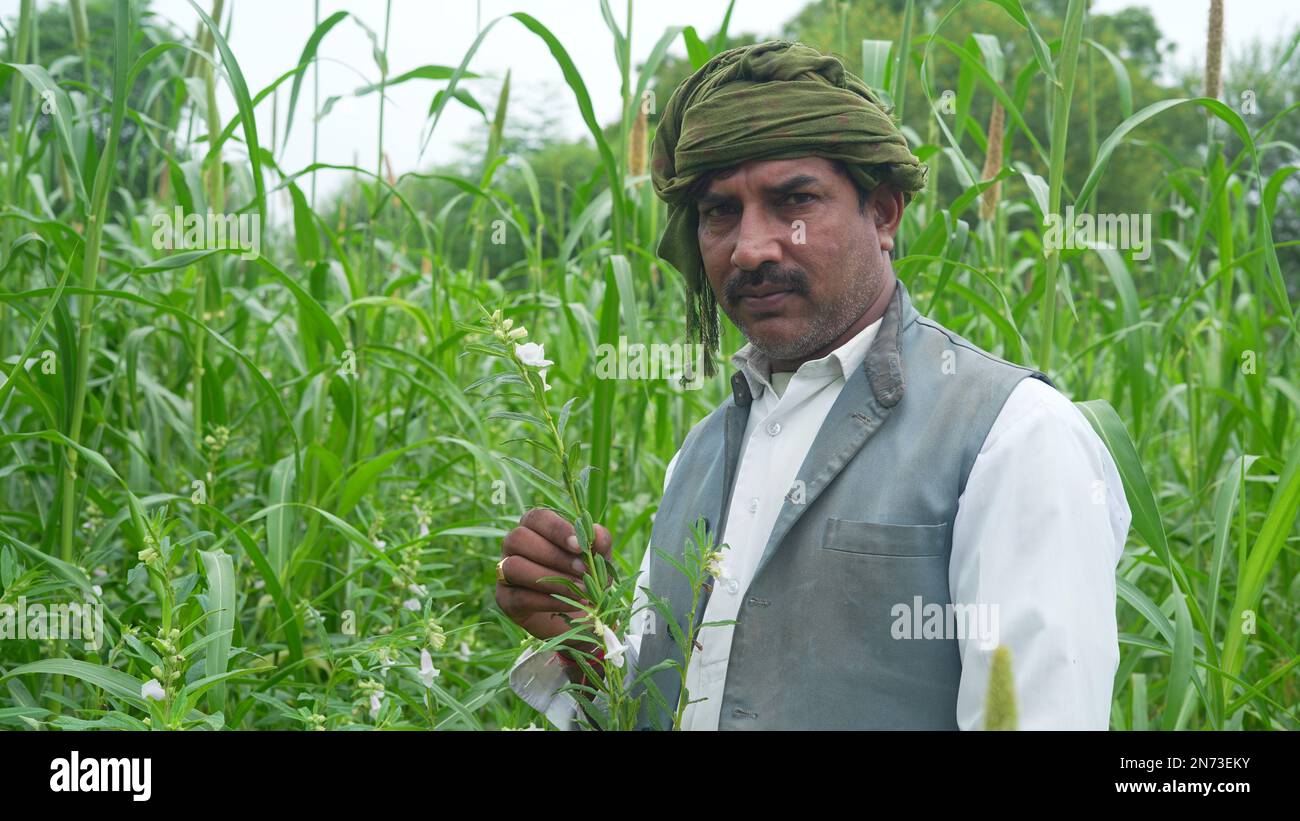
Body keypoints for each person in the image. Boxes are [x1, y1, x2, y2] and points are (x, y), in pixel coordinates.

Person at [495, 40, 1131, 730]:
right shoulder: (698, 460)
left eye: (794, 200)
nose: (751, 247)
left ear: (883, 213)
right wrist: (585, 640)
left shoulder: (1013, 437)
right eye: (720, 212)